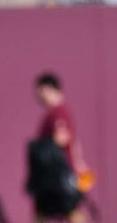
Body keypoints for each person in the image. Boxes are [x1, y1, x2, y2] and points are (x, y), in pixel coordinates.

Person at [29, 72, 92, 223]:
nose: (38, 97)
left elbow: (62, 139)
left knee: (70, 210)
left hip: (59, 174)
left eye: (40, 92)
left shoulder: (59, 113)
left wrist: (40, 148)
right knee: (44, 212)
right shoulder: (57, 113)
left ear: (48, 89)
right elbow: (75, 144)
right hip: (52, 176)